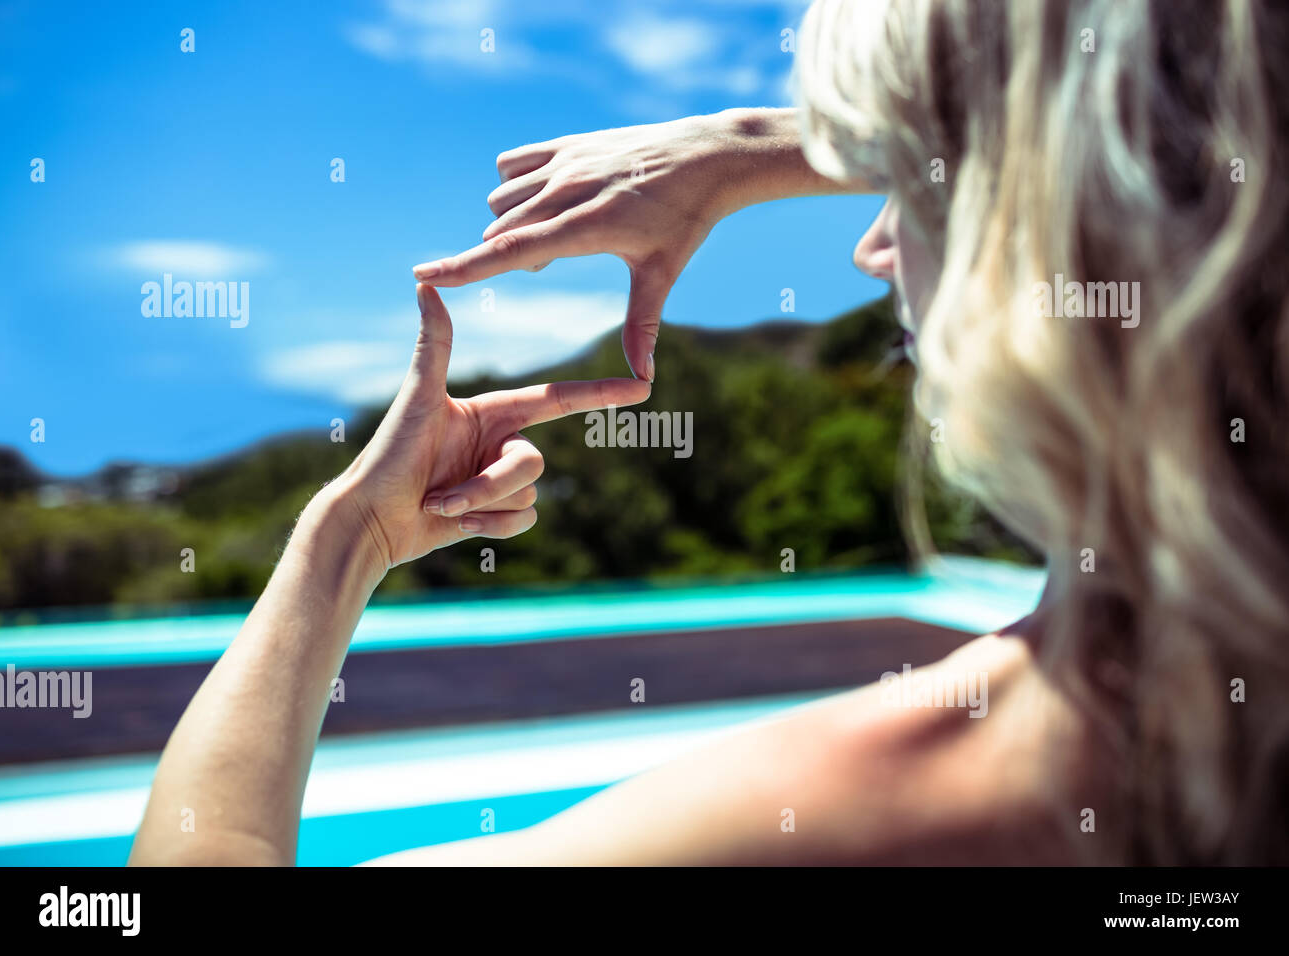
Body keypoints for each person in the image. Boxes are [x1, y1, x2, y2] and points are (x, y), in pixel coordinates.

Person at [131, 0, 1289, 865]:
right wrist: (749, 146)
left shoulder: (915, 791)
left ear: (1050, 225)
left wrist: (342, 540)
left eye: (916, 181)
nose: (873, 242)